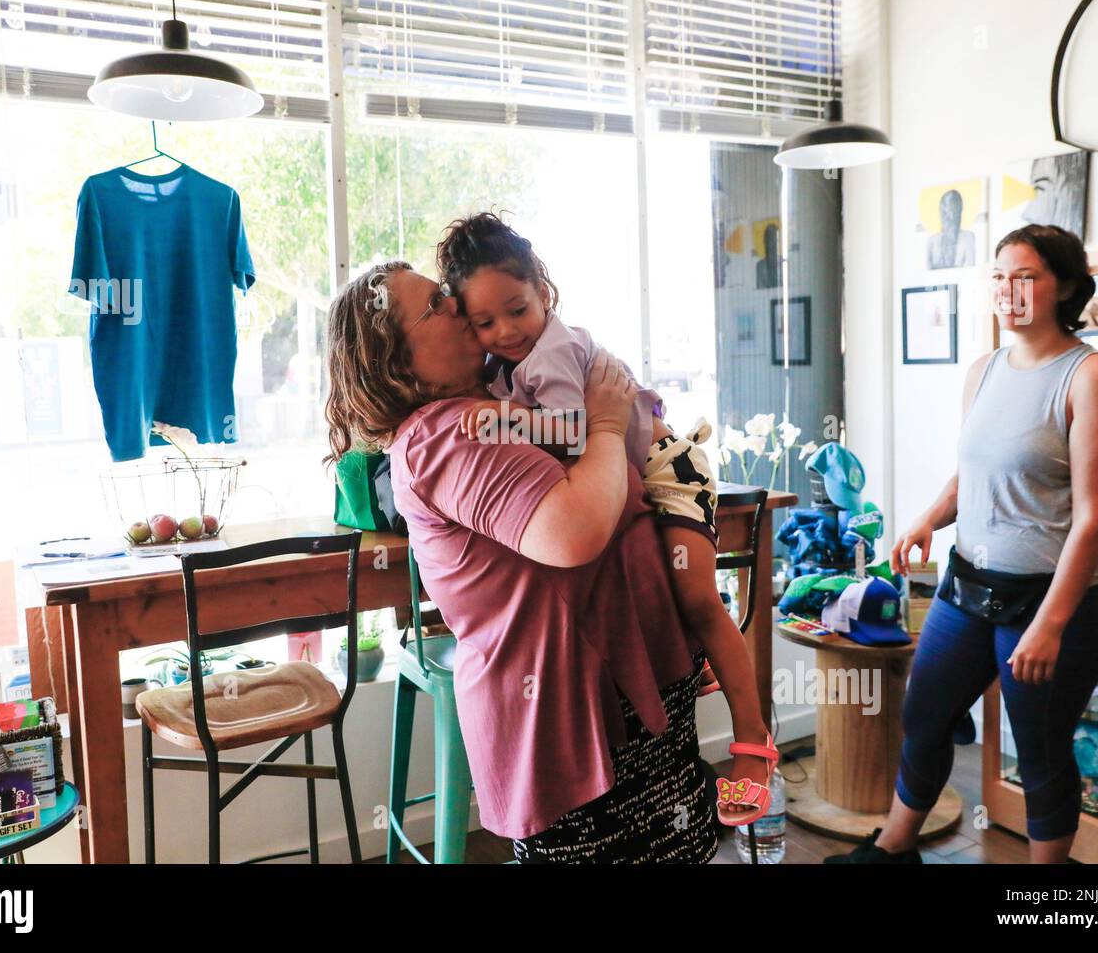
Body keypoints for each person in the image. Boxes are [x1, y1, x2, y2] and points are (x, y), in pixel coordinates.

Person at [324, 260, 720, 862]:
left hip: (628, 699)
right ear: (395, 361)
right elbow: (575, 530)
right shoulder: (446, 436)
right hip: (572, 720)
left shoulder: (502, 397)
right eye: (436, 305)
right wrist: (609, 425)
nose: (457, 304)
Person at [436, 213, 777, 825]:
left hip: (669, 469)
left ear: (543, 289)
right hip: (633, 472)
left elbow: (576, 427)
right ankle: (700, 671)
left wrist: (502, 421)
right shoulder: (503, 367)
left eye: (517, 308)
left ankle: (754, 744)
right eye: (484, 322)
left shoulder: (554, 352)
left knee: (698, 599)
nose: (506, 330)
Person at [827, 224, 1098, 864]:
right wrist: (924, 521)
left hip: (1056, 606)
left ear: (1065, 287)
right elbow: (974, 475)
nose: (1007, 291)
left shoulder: (1090, 378)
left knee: (1041, 750)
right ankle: (894, 848)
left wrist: (1050, 625)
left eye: (1026, 277)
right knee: (924, 715)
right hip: (968, 588)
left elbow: (1095, 519)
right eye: (999, 276)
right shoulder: (984, 370)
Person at [926, 188, 977, 270]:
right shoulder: (932, 241)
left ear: (959, 210)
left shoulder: (968, 237)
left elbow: (970, 269)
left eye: (953, 208)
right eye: (945, 209)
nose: (949, 215)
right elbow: (926, 273)